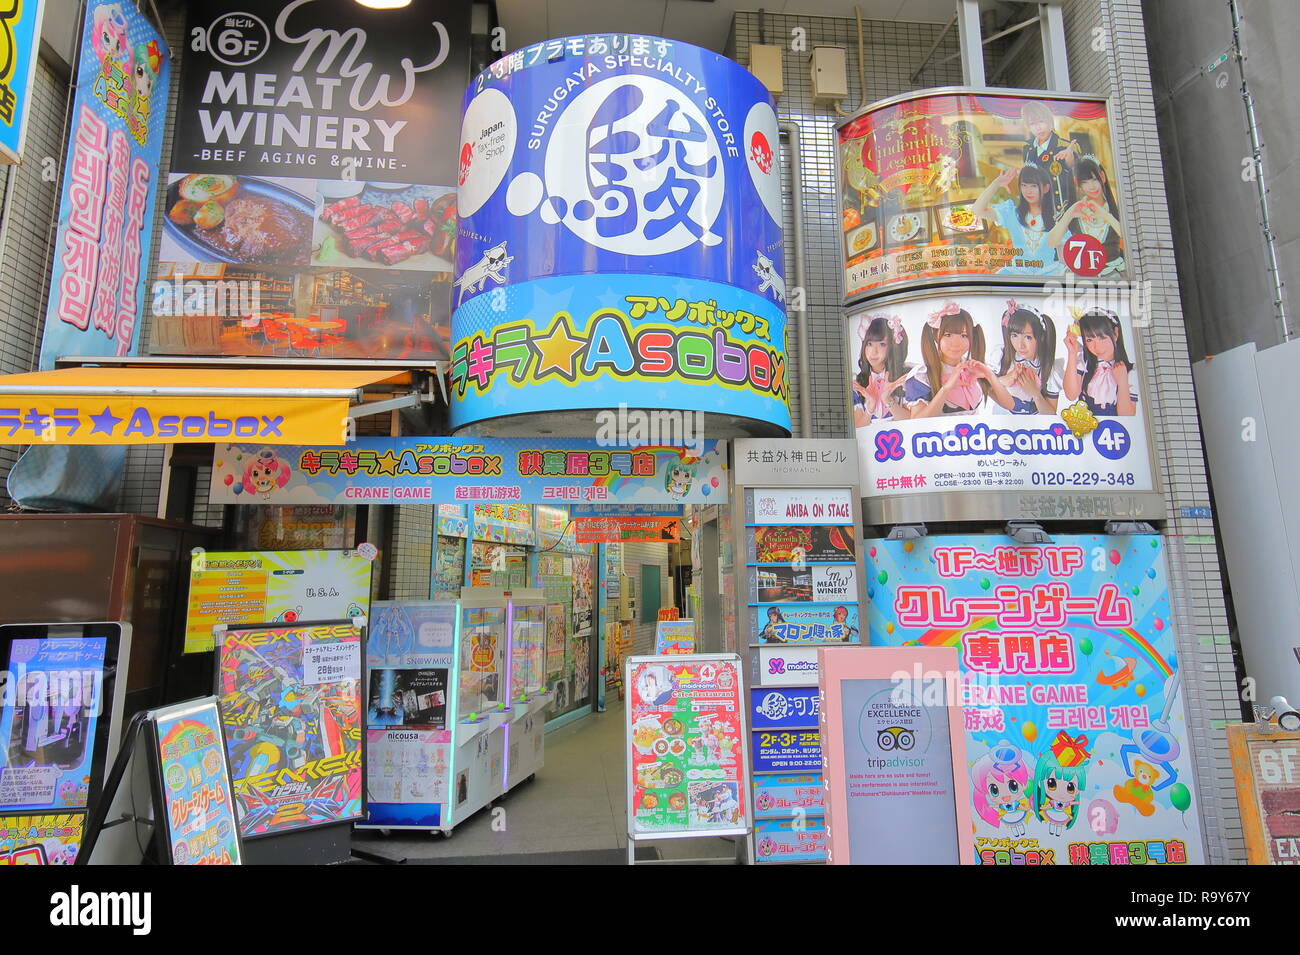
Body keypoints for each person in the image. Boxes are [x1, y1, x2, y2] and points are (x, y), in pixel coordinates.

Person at [904, 301, 1014, 417]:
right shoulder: (923, 375)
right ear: (936, 337)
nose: (956, 343)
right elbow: (917, 421)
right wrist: (946, 389)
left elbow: (1009, 405)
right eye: (948, 335)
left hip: (977, 434)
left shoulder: (973, 369)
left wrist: (990, 375)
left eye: (964, 336)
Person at [970, 165, 1059, 274]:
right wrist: (996, 183)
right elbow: (977, 210)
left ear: (1046, 188)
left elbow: (1064, 254)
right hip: (1017, 274)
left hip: (1048, 274)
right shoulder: (1011, 213)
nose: (1028, 191)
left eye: (1034, 186)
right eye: (1024, 185)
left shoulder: (1057, 218)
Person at [1047, 156, 1125, 275]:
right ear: (1077, 183)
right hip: (1082, 276)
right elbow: (1051, 242)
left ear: (1102, 177)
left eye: (1094, 179)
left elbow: (1129, 239)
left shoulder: (1117, 209)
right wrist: (1070, 213)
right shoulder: (1075, 209)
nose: (1091, 186)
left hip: (1113, 274)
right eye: (1085, 182)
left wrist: (1105, 215)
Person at [1062, 308, 1137, 416]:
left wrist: (1122, 382)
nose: (1097, 346)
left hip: (1113, 429)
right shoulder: (1084, 362)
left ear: (1115, 333)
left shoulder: (1131, 370)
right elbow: (1071, 395)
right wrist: (1072, 353)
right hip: (1085, 428)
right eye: (1089, 340)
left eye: (1102, 338)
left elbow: (1127, 416)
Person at [991, 301, 1062, 415]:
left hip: (1033, 428)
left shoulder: (1049, 368)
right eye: (1014, 336)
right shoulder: (1002, 357)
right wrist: (1004, 380)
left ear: (1041, 337)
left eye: (1028, 337)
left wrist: (1036, 394)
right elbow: (984, 389)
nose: (1020, 345)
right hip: (1003, 424)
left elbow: (1051, 415)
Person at [1019, 100, 1076, 220]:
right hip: (1037, 212)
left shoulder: (1064, 146)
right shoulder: (1028, 149)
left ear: (1050, 121)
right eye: (1032, 124)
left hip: (1062, 213)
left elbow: (1075, 172)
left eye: (1041, 121)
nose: (1038, 127)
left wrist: (1069, 156)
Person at [851, 314, 911, 427]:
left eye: (882, 344)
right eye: (869, 344)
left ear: (893, 346)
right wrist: (870, 409)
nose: (873, 352)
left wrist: (887, 399)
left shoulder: (905, 378)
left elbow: (914, 422)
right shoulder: (858, 383)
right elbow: (858, 430)